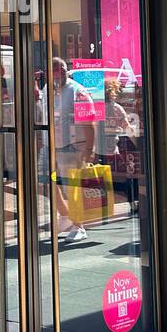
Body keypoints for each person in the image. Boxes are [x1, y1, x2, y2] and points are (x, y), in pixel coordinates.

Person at [39, 58, 95, 243]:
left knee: (72, 187)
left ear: (65, 70)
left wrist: (89, 147)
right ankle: (65, 215)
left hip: (72, 148)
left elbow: (89, 120)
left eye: (60, 70)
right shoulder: (48, 89)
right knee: (50, 181)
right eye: (54, 71)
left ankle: (79, 226)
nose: (58, 74)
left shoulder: (76, 91)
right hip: (51, 147)